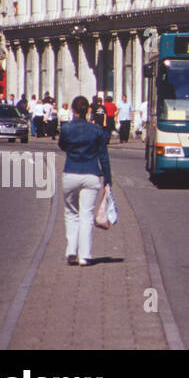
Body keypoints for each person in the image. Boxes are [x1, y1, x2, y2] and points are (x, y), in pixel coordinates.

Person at [57, 95, 112, 267]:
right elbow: (103, 156)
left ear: (73, 110)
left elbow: (62, 146)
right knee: (86, 215)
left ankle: (71, 251)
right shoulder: (96, 131)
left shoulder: (66, 128)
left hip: (71, 172)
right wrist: (108, 180)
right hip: (91, 174)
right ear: (88, 110)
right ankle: (85, 256)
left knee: (71, 213)